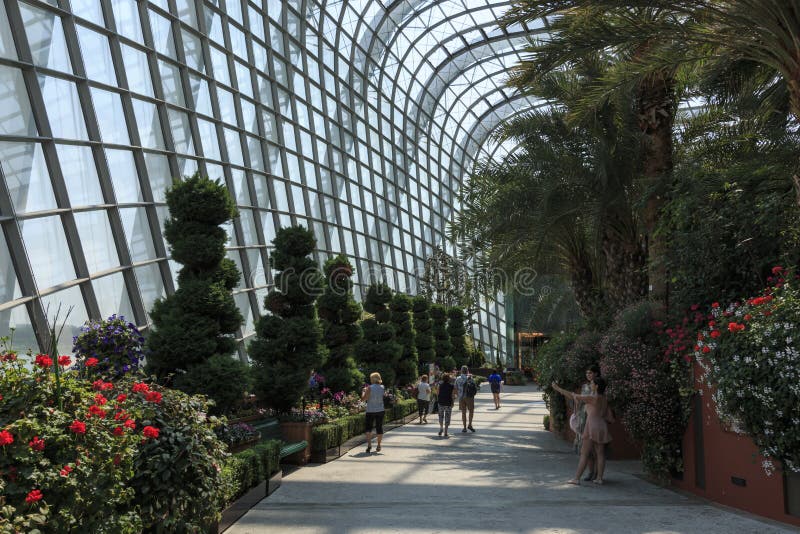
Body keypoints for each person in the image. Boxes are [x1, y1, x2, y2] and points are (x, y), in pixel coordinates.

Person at [552, 377, 613, 485]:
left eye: (592, 383)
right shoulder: (603, 398)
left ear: (597, 386)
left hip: (592, 426)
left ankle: (576, 478)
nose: (590, 384)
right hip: (601, 426)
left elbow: (574, 396)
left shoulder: (593, 397)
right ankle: (599, 478)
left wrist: (558, 388)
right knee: (600, 453)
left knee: (584, 453)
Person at [574, 365, 600, 480]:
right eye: (587, 373)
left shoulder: (598, 387)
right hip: (583, 417)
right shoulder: (585, 386)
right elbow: (580, 401)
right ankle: (591, 472)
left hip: (593, 417)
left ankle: (597, 474)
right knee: (586, 449)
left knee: (596, 449)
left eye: (590, 373)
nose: (588, 375)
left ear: (596, 374)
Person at [361, 372, 385, 453]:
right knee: (379, 427)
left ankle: (369, 445)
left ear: (372, 379)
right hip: (380, 410)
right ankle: (378, 445)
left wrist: (363, 391)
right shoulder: (382, 387)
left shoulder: (369, 388)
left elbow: (364, 399)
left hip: (370, 410)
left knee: (368, 428)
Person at [454, 365, 476, 432]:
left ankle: (464, 427)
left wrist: (458, 395)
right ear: (467, 371)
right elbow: (474, 387)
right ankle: (469, 424)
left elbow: (455, 388)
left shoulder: (458, 379)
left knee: (463, 412)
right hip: (469, 397)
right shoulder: (470, 378)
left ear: (461, 371)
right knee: (471, 411)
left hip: (461, 398)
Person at [436, 373, 456, 437]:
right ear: (449, 379)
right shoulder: (451, 386)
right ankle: (446, 432)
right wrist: (453, 402)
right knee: (447, 417)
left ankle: (441, 428)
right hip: (448, 403)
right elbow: (453, 395)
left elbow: (437, 393)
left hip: (441, 402)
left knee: (441, 416)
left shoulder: (440, 385)